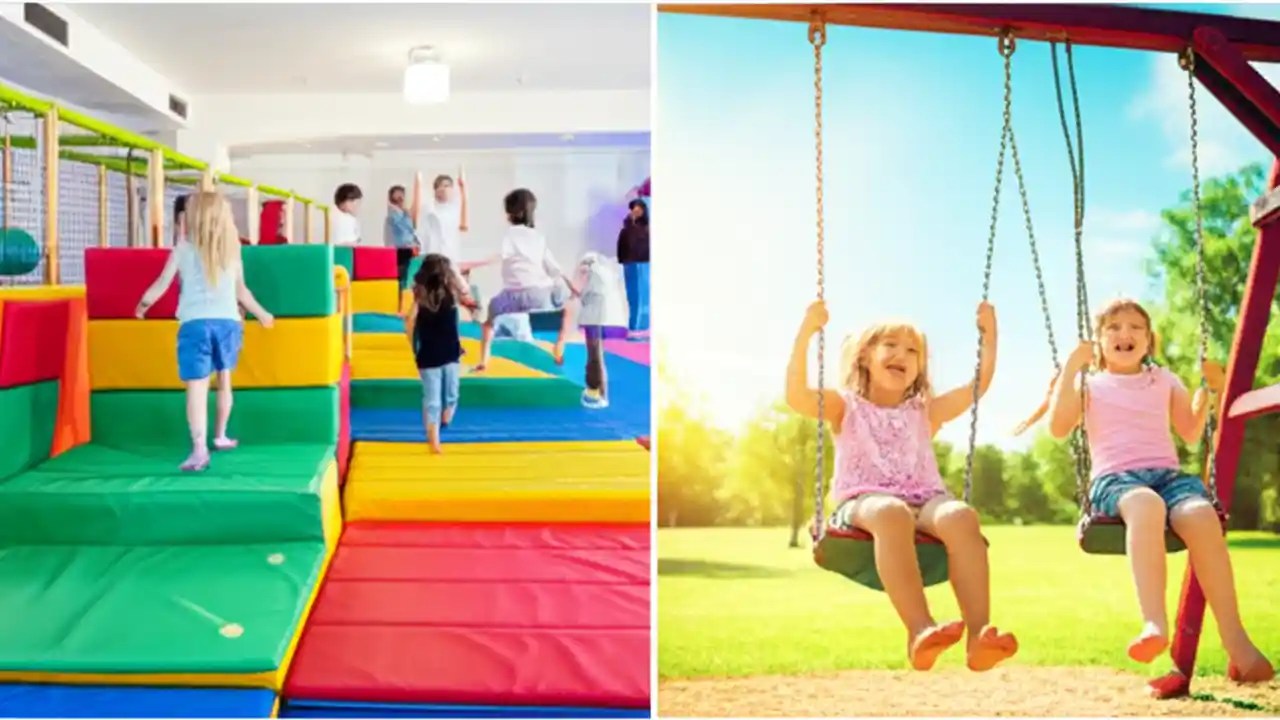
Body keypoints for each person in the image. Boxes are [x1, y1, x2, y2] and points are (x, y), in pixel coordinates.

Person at [1043, 298, 1273, 682]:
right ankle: (1154, 623)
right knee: (1145, 505)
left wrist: (1206, 400)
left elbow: (1189, 431)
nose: (1125, 334)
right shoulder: (1091, 384)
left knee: (1201, 515)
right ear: (1097, 342)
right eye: (1113, 327)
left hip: (1167, 476)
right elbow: (1058, 427)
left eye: (1136, 327)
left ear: (1149, 340)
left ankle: (1238, 643)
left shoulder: (1164, 379)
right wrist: (1070, 368)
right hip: (1116, 481)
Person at [786, 299, 1017, 673]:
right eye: (890, 345)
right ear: (864, 356)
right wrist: (807, 331)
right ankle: (919, 630)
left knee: (960, 515)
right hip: (863, 503)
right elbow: (796, 396)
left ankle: (979, 638)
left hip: (924, 501)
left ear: (918, 368)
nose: (902, 354)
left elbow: (978, 387)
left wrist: (991, 336)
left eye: (913, 350)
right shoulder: (845, 406)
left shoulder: (925, 411)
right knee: (890, 511)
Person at [134, 190, 275, 472]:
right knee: (224, 380)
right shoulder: (232, 252)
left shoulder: (183, 249)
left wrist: (142, 306)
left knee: (196, 388)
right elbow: (242, 292)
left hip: (194, 325)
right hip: (227, 323)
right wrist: (263, 314)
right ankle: (220, 435)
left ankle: (199, 448)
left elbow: (161, 284)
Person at [474, 188, 579, 371]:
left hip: (511, 298)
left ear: (509, 213)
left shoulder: (509, 235)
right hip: (540, 295)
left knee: (489, 320)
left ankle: (484, 360)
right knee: (570, 305)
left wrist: (470, 265)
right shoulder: (538, 237)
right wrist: (573, 288)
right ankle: (560, 344)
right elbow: (555, 268)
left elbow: (496, 257)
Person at [404, 253, 477, 454]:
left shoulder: (451, 295)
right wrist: (413, 344)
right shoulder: (421, 297)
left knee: (451, 393)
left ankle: (446, 416)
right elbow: (410, 322)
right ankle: (434, 438)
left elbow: (460, 310)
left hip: (449, 351)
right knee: (433, 399)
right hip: (430, 354)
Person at [573, 251, 626, 409]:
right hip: (602, 316)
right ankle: (593, 389)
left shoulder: (593, 272)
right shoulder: (608, 272)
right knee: (594, 355)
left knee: (596, 355)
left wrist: (574, 290)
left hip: (596, 317)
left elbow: (586, 295)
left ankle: (602, 395)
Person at [616, 198, 650, 338]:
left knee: (642, 295)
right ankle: (634, 327)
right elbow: (621, 246)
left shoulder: (646, 228)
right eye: (633, 208)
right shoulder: (627, 228)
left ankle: (641, 327)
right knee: (633, 295)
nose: (635, 211)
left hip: (643, 263)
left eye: (638, 208)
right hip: (630, 264)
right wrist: (623, 261)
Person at [384, 184, 420, 285]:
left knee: (407, 279)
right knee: (402, 279)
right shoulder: (394, 216)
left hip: (407, 251)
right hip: (399, 251)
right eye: (396, 199)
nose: (400, 201)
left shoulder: (404, 214)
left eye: (401, 197)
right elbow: (405, 235)